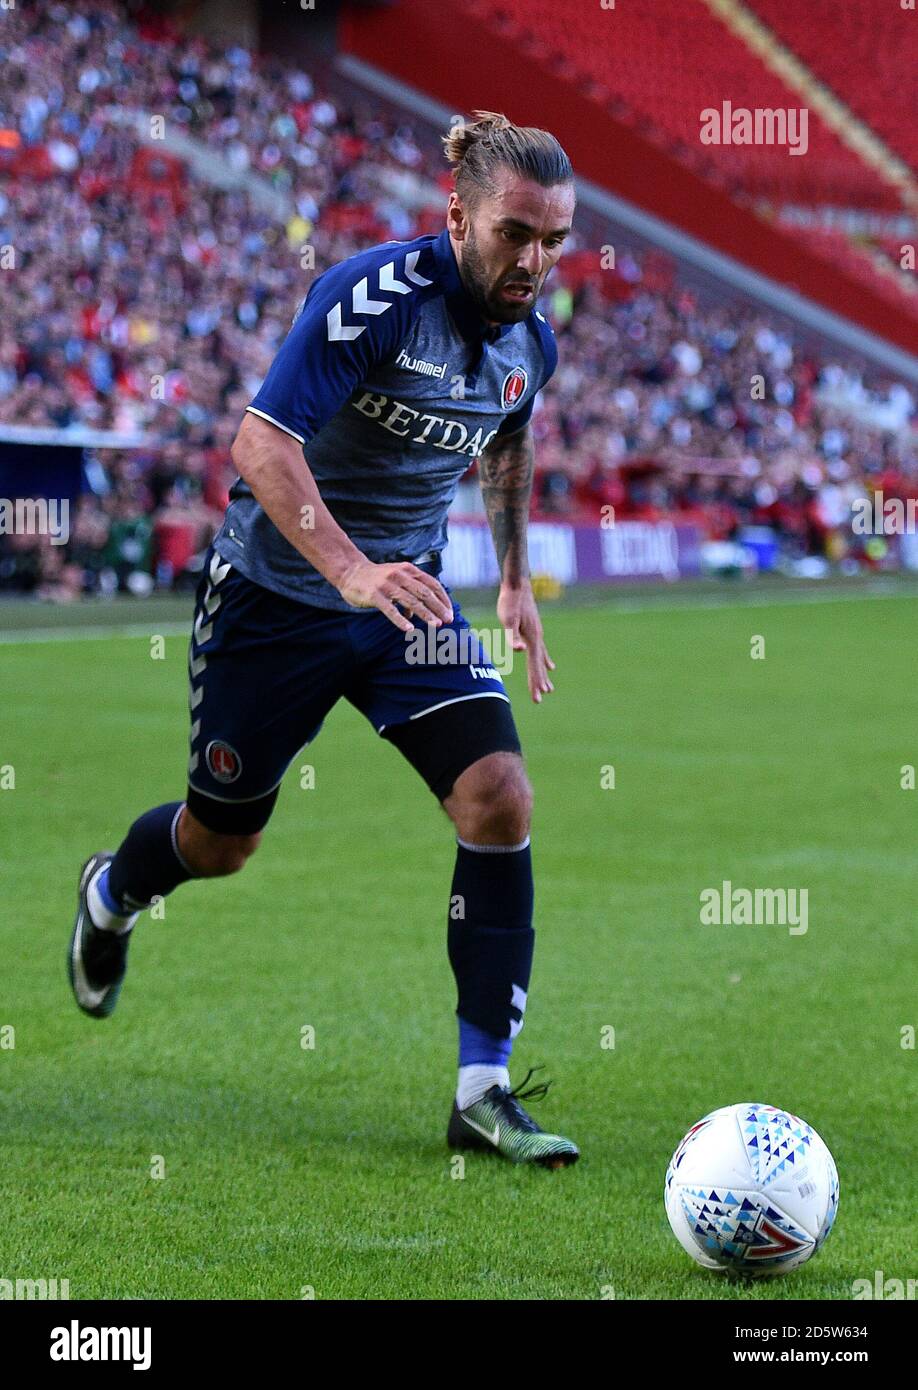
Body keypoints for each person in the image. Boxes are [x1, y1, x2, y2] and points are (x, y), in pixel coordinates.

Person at [69, 111, 580, 1168]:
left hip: (407, 607)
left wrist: (519, 579)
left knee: (500, 795)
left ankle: (482, 1088)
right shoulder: (375, 297)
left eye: (554, 241)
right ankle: (113, 892)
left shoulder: (533, 342)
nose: (534, 261)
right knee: (223, 841)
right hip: (275, 603)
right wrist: (346, 569)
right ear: (457, 215)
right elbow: (260, 440)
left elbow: (506, 444)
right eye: (515, 234)